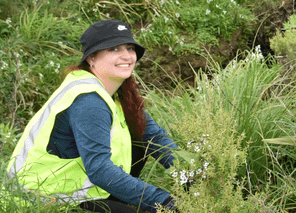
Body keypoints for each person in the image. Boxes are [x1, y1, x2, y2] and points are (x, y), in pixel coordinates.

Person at [6, 20, 179, 213]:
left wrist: (192, 175)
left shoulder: (117, 94)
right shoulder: (89, 100)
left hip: (81, 186)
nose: (126, 56)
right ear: (92, 59)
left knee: (140, 136)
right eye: (114, 49)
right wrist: (164, 202)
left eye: (130, 48)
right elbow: (99, 170)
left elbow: (154, 137)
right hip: (44, 197)